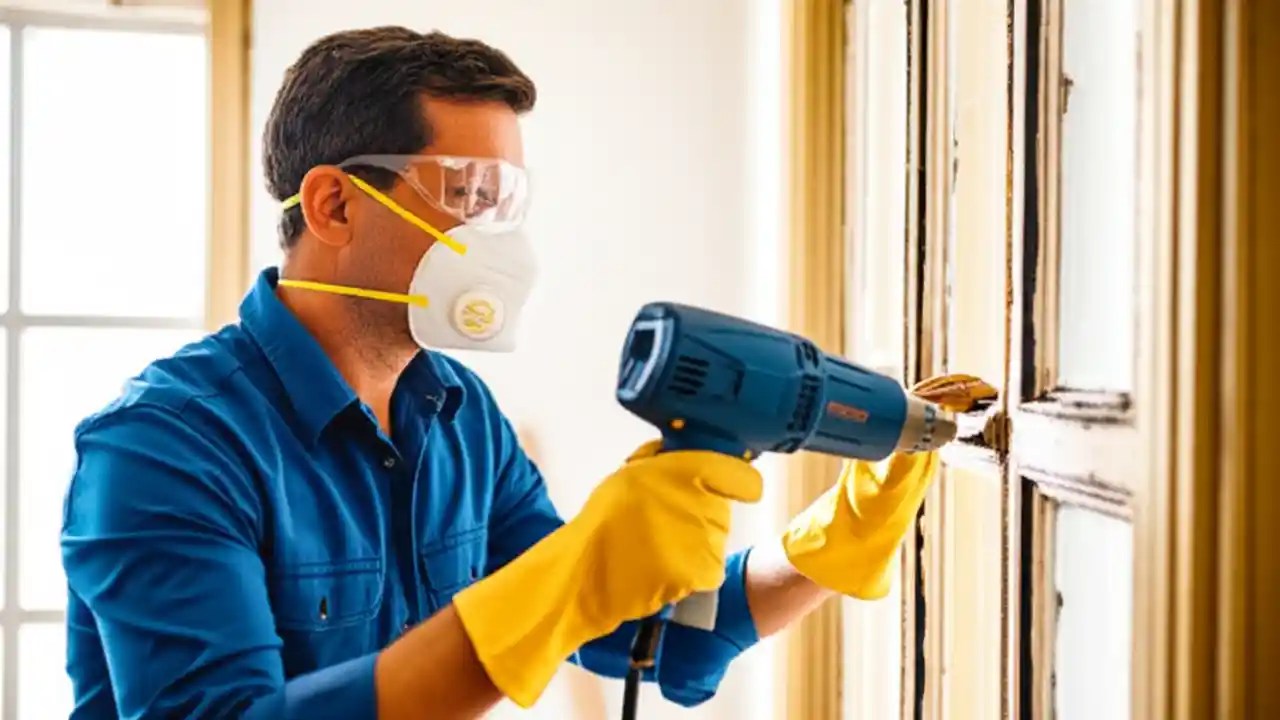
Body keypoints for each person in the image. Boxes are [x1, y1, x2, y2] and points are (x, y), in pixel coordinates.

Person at [60, 26, 949, 720]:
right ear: (333, 204)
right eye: (465, 194)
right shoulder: (163, 448)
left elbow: (643, 640)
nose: (497, 238)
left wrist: (829, 549)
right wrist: (567, 578)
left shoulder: (456, 415)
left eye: (506, 201)